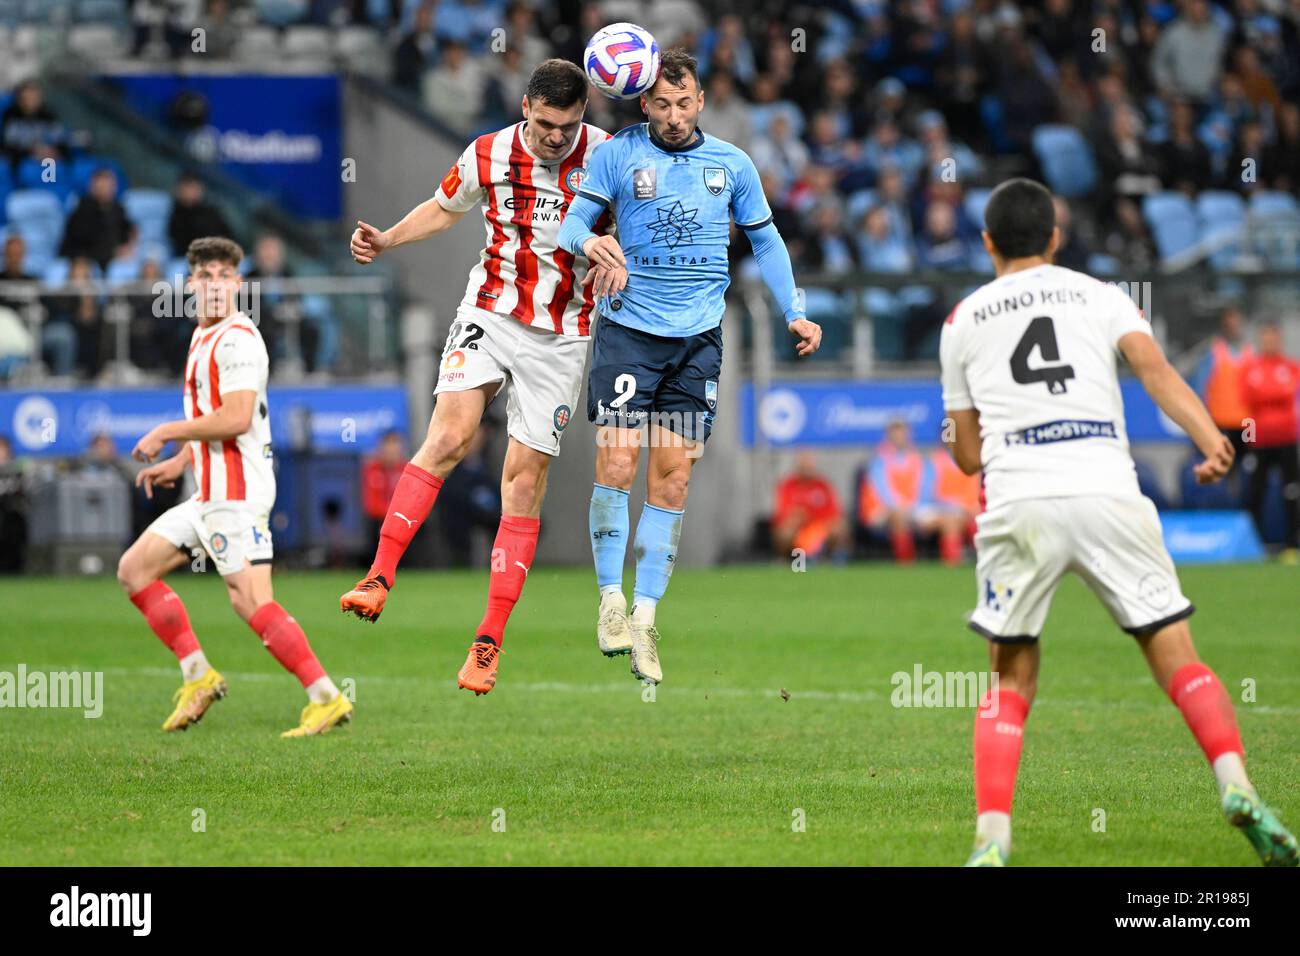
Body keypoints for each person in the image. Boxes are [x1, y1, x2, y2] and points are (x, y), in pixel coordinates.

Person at [940, 177, 1295, 867]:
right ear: (1054, 237)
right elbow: (1156, 371)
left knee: (1009, 681)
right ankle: (1235, 782)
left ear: (987, 244)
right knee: (1176, 655)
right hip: (1107, 487)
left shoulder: (964, 319)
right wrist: (1210, 439)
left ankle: (992, 837)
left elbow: (968, 456)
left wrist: (956, 439)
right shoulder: (1102, 296)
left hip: (1022, 496)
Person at [339, 59, 612, 696]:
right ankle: (378, 576)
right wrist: (388, 241)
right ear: (525, 107)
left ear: (584, 117)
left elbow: (636, 228)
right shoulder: (487, 153)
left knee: (522, 481)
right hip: (489, 312)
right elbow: (443, 208)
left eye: (567, 126)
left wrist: (619, 257)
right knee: (449, 438)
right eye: (546, 124)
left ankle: (488, 642)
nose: (555, 137)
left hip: (562, 336)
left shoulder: (608, 157)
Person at [557, 48, 822, 684]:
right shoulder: (618, 154)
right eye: (662, 105)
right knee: (618, 462)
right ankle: (610, 602)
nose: (674, 116)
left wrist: (794, 311)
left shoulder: (731, 164)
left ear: (700, 102)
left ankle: (646, 615)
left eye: (685, 104)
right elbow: (569, 224)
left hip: (697, 339)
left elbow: (766, 239)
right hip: (629, 331)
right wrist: (592, 241)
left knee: (671, 481)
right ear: (643, 103)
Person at [117, 237, 352, 737]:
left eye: (226, 275)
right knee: (135, 570)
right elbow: (214, 419)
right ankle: (198, 676)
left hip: (238, 493)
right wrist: (181, 460)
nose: (216, 285)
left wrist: (166, 433)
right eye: (206, 276)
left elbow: (237, 417)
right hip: (210, 491)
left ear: (239, 284)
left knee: (250, 602)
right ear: (190, 285)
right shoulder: (203, 336)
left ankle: (325, 697)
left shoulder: (238, 340)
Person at [1240, 322, 1300, 557]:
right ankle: (1254, 545)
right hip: (1260, 442)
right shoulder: (1250, 369)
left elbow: (1287, 393)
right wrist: (1249, 442)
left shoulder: (1291, 367)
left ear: (1279, 340)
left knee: (1292, 491)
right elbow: (1246, 407)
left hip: (1287, 439)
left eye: (1273, 338)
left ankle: (1292, 544)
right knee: (1256, 492)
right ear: (1260, 341)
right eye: (1265, 339)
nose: (1269, 343)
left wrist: (1267, 395)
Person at [771, 451, 849, 562]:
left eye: (809, 465)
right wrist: (797, 519)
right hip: (799, 528)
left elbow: (834, 513)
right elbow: (782, 515)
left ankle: (830, 558)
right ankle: (789, 560)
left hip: (820, 527)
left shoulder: (822, 485)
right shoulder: (788, 486)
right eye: (803, 466)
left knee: (839, 528)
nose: (806, 469)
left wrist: (818, 525)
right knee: (785, 533)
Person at [58, 169, 135, 271]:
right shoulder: (82, 209)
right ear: (92, 187)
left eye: (110, 186)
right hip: (84, 260)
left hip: (112, 262)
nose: (106, 189)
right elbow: (83, 244)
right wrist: (113, 252)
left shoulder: (118, 209)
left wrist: (128, 245)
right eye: (102, 186)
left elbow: (127, 233)